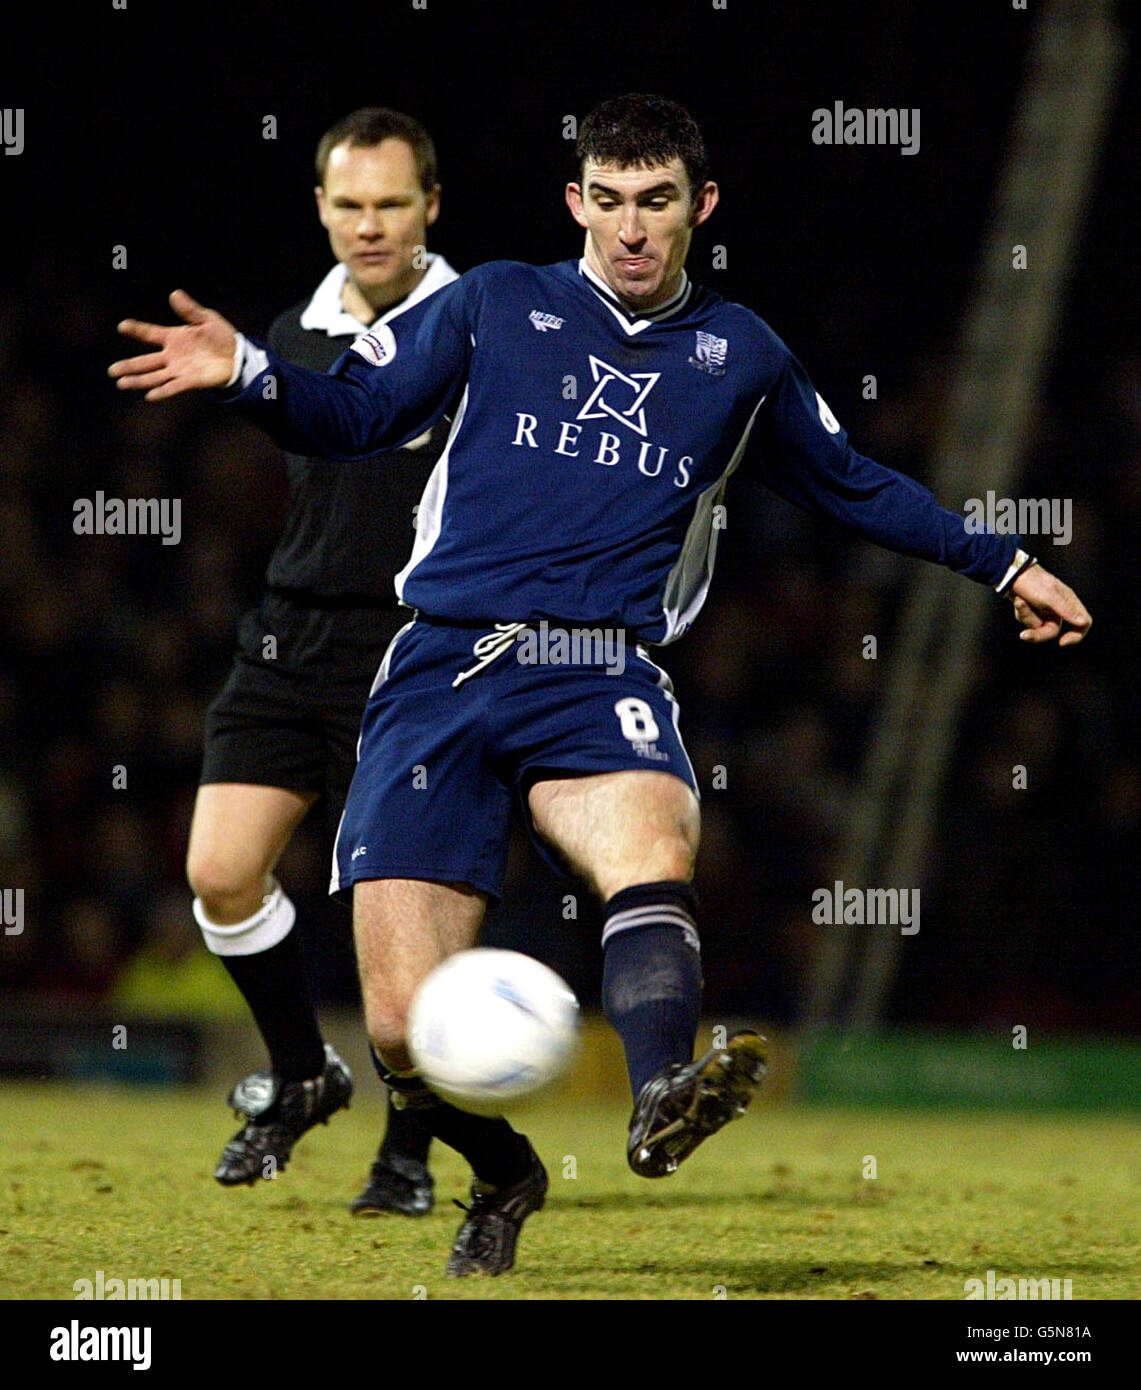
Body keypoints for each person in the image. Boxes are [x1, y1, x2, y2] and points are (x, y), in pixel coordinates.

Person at [109, 93, 1091, 1278]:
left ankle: (659, 1088)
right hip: (438, 664)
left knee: (653, 840)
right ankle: (505, 1166)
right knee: (395, 1030)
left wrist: (1006, 560)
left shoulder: (740, 356)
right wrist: (250, 374)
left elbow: (852, 485)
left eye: (658, 203)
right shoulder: (492, 303)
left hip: (594, 665)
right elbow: (356, 414)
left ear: (700, 208)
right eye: (611, 202)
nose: (632, 229)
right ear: (576, 202)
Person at [182, 107, 458, 1215]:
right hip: (291, 635)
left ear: (432, 206)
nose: (370, 224)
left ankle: (409, 1156)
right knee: (218, 873)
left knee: (395, 933)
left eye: (392, 203)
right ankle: (303, 1072)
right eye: (349, 204)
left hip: (416, 653)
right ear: (321, 208)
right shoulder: (289, 330)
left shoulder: (479, 324)